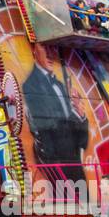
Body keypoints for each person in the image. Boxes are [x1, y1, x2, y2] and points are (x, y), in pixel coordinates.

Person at [21, 43, 89, 183]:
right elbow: (42, 128)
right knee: (69, 202)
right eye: (44, 48)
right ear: (34, 50)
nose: (50, 53)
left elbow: (68, 122)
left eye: (51, 48)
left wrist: (80, 114)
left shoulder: (59, 85)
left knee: (83, 201)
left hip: (73, 160)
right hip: (57, 163)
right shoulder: (31, 85)